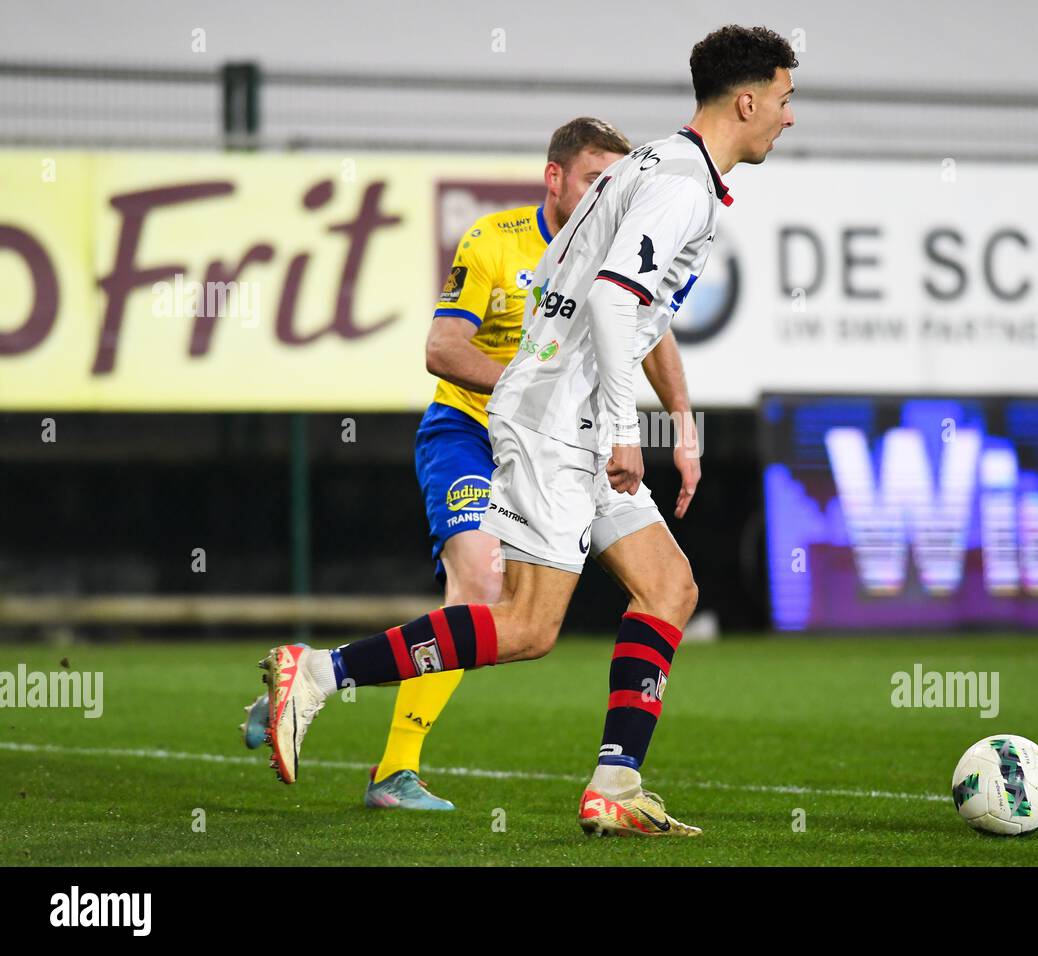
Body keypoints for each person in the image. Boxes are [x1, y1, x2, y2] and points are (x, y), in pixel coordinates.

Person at [257, 25, 797, 837]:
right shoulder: (679, 184)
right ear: (747, 100)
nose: (789, 119)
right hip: (563, 422)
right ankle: (320, 676)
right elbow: (616, 300)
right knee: (527, 626)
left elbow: (568, 280)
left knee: (670, 588)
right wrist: (619, 426)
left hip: (564, 407)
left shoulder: (651, 163)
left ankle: (615, 783)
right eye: (785, 101)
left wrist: (650, 415)